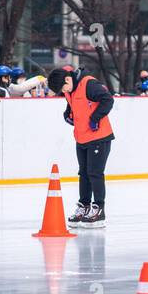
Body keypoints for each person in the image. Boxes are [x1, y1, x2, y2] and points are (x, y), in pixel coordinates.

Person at [47, 66, 115, 227]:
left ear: (68, 79)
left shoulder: (89, 84)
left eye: (63, 88)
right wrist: (68, 114)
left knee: (95, 173)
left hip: (99, 136)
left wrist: (95, 118)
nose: (64, 91)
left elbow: (108, 99)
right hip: (82, 137)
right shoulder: (68, 90)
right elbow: (72, 104)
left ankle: (99, 209)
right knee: (84, 173)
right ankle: (84, 206)